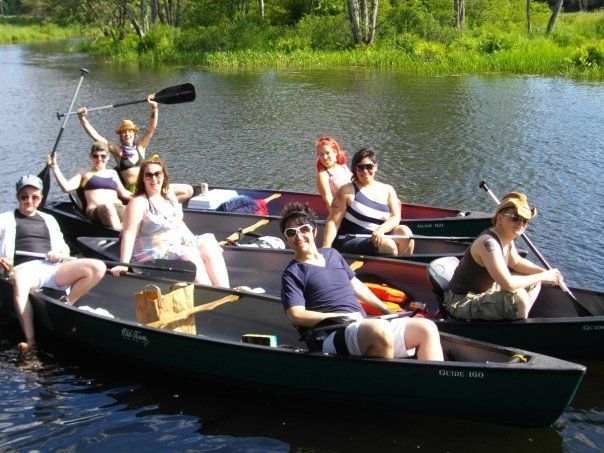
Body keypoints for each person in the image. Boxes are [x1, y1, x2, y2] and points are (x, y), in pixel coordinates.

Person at [280, 202, 443, 360]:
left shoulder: (332, 254)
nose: (299, 236)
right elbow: (297, 315)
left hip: (360, 325)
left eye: (304, 229)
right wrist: (339, 316)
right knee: (378, 330)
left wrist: (386, 310)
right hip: (330, 333)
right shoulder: (292, 273)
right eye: (291, 233)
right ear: (287, 239)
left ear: (314, 231)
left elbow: (356, 285)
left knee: (426, 328)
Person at [0, 175, 106, 351]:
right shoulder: (5, 219)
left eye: (34, 197)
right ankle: (30, 340)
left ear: (41, 198)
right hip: (25, 269)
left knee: (98, 267)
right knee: (19, 281)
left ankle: (66, 304)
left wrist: (58, 255)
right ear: (18, 197)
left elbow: (64, 251)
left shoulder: (49, 219)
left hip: (52, 267)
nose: (29, 201)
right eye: (24, 196)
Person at [109, 157, 229, 287]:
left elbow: (178, 222)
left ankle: (225, 290)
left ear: (164, 175)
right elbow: (129, 234)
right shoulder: (138, 202)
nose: (153, 179)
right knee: (191, 253)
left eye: (157, 174)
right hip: (152, 253)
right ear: (142, 179)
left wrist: (191, 240)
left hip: (175, 244)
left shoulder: (169, 195)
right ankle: (211, 292)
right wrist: (123, 264)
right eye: (148, 175)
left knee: (209, 245)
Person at [443, 192, 563, 320]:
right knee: (519, 296)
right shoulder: (488, 243)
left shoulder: (506, 238)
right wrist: (543, 276)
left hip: (486, 291)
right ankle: (518, 321)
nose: (520, 223)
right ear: (500, 218)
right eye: (514, 217)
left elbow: (516, 262)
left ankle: (519, 316)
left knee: (534, 282)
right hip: (462, 302)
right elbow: (508, 284)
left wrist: (546, 273)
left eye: (525, 220)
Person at [77, 95, 193, 202]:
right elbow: (96, 136)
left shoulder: (140, 147)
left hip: (150, 185)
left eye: (129, 131)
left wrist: (154, 109)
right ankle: (157, 204)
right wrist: (83, 119)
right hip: (135, 191)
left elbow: (151, 129)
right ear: (120, 135)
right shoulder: (117, 151)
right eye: (124, 132)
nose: (127, 134)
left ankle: (162, 205)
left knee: (188, 190)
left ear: (134, 134)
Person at [322, 146, 414, 256]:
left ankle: (401, 264)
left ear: (376, 167)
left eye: (369, 166)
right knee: (389, 245)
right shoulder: (346, 191)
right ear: (355, 169)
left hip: (379, 235)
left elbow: (395, 217)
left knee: (405, 232)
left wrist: (380, 230)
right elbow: (333, 221)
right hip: (349, 239)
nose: (365, 171)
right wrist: (326, 248)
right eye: (360, 167)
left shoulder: (388, 190)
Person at [46, 142, 132, 229]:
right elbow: (66, 188)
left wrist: (139, 196)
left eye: (103, 156)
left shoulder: (113, 173)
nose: (99, 159)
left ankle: (128, 232)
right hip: (97, 210)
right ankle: (120, 234)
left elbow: (124, 193)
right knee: (108, 207)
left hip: (118, 207)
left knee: (135, 208)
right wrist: (55, 167)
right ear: (91, 157)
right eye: (95, 156)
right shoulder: (85, 173)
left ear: (108, 157)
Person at [315, 136, 353, 209]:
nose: (325, 157)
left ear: (335, 152)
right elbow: (329, 201)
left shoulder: (343, 167)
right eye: (321, 154)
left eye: (327, 153)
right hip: (344, 211)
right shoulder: (323, 175)